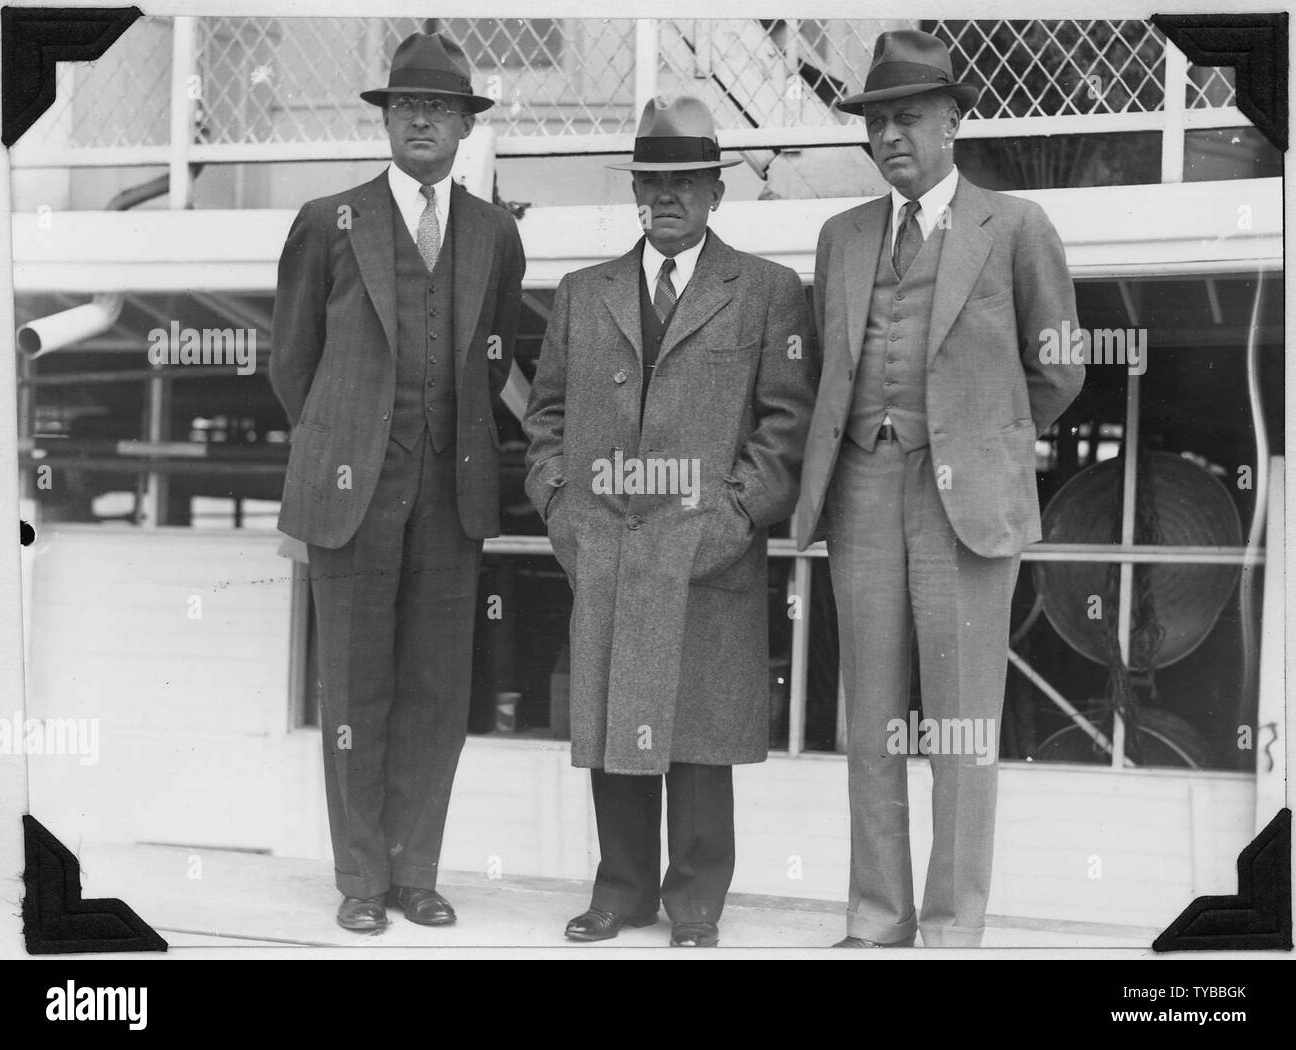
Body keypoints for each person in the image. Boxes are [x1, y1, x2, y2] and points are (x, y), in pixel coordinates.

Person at [793, 30, 1085, 948]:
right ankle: (878, 918)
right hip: (863, 493)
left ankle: (955, 927)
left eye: (909, 118)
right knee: (871, 725)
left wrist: (985, 435)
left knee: (961, 733)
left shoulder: (1017, 226)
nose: (890, 138)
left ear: (955, 121)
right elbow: (830, 375)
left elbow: (1062, 367)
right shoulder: (840, 238)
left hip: (965, 500)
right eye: (877, 123)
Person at [524, 96, 815, 948]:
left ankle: (695, 902)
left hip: (707, 550)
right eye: (651, 181)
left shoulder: (766, 292)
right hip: (604, 545)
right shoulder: (584, 294)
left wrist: (727, 522)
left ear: (717, 193)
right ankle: (620, 894)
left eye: (684, 182)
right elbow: (542, 421)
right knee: (616, 723)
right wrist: (562, 511)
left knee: (697, 732)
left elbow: (784, 427)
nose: (665, 197)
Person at [269, 32, 525, 932]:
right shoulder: (326, 219)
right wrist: (345, 438)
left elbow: (492, 357)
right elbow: (293, 363)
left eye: (441, 108)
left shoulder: (495, 234)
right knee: (355, 689)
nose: (422, 119)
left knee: (433, 690)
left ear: (464, 125)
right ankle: (361, 881)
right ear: (386, 119)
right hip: (353, 494)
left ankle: (417, 873)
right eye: (406, 106)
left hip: (451, 492)